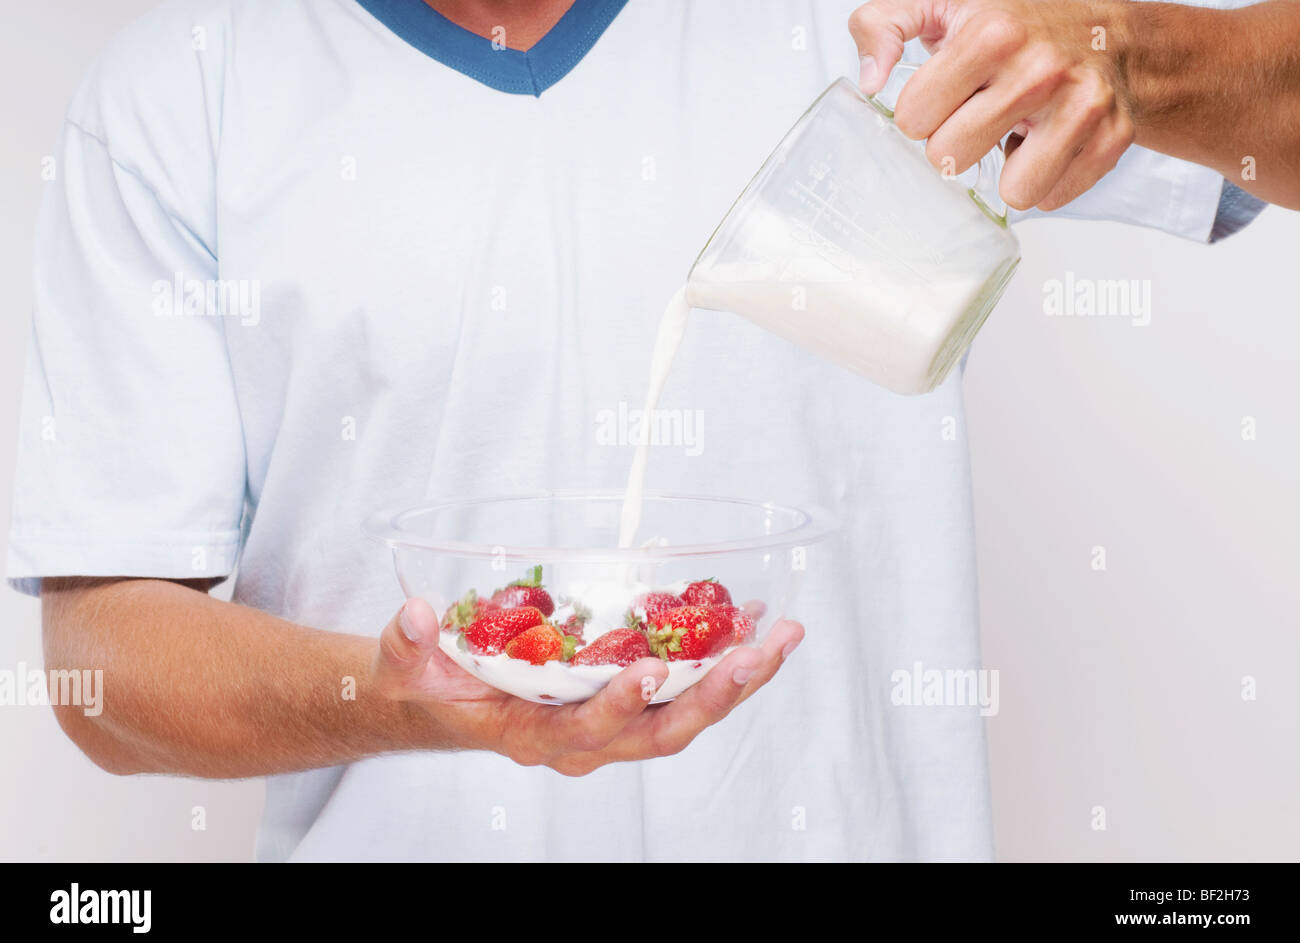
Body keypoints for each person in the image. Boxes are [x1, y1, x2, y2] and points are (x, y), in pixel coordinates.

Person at [6, 0, 1281, 861]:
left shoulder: (869, 20)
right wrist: (401, 697)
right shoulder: (184, 89)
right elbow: (101, 667)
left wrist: (1134, 57)